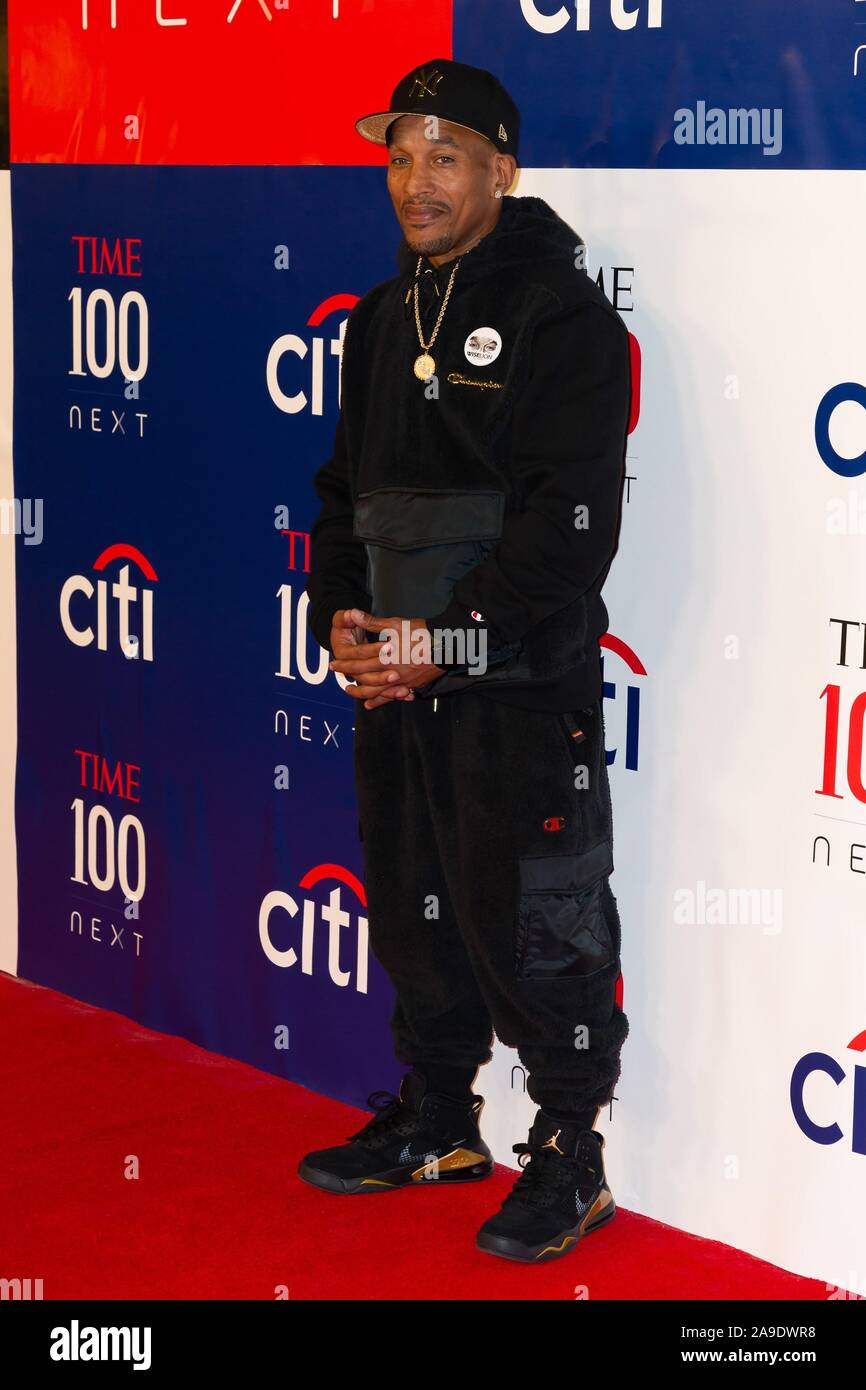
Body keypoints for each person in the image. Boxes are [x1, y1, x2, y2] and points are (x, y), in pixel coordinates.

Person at [298, 57, 632, 1265]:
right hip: (395, 682)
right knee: (415, 902)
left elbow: (568, 533)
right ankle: (440, 1117)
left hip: (513, 688)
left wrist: (443, 644)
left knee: (534, 917)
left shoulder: (563, 318)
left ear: (501, 169)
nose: (413, 179)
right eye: (397, 155)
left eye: (443, 155)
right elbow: (343, 498)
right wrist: (341, 615)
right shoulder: (383, 319)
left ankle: (570, 1151)